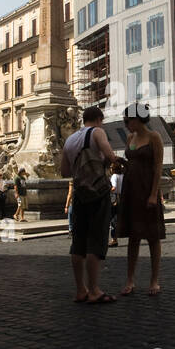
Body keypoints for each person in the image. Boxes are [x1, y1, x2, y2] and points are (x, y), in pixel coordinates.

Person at [60, 105, 120, 303]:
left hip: (79, 195)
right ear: (99, 119)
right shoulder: (97, 132)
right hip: (98, 193)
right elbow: (111, 157)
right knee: (96, 241)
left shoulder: (69, 140)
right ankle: (94, 290)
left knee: (78, 243)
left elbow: (65, 172)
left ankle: (81, 290)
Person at [117, 103, 165, 296]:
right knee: (133, 236)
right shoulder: (130, 137)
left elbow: (158, 167)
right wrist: (122, 163)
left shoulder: (154, 137)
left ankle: (154, 280)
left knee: (153, 236)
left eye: (128, 121)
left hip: (147, 190)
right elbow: (132, 162)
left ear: (137, 119)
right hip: (131, 190)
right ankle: (130, 279)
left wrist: (154, 194)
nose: (126, 124)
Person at [109, 160, 123, 245]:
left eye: (111, 167)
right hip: (122, 198)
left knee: (113, 219)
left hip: (115, 198)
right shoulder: (123, 176)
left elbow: (113, 188)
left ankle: (114, 239)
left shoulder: (114, 176)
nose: (110, 168)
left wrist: (106, 190)